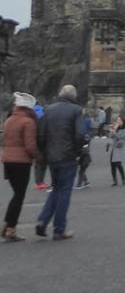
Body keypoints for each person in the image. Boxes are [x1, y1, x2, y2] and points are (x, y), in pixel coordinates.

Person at [34, 83, 87, 239]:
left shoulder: (49, 110)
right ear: (74, 97)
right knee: (64, 192)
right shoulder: (76, 110)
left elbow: (41, 135)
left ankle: (42, 220)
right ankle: (59, 229)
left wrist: (45, 153)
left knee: (56, 189)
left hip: (52, 157)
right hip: (68, 156)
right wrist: (77, 152)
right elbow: (80, 134)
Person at [3, 92, 39, 242]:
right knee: (19, 195)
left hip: (7, 160)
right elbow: (30, 145)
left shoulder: (9, 120)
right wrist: (38, 157)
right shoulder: (28, 122)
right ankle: (10, 228)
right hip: (21, 162)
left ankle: (7, 224)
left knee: (15, 194)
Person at [107, 118, 125, 187]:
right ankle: (114, 180)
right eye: (117, 120)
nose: (117, 121)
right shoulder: (116, 127)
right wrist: (112, 130)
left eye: (119, 120)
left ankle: (123, 178)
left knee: (118, 163)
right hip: (114, 147)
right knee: (112, 164)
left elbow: (120, 137)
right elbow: (110, 136)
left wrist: (115, 131)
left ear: (122, 121)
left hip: (119, 147)